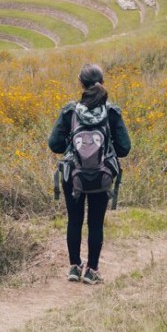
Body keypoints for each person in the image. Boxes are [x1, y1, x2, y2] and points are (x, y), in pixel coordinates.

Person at [48, 63, 131, 284]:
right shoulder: (112, 112)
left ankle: (74, 267)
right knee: (96, 222)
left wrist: (72, 144)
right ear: (102, 83)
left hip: (72, 175)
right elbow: (125, 148)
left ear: (80, 84)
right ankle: (92, 271)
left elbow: (54, 144)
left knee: (74, 220)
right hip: (102, 177)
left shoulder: (70, 111)